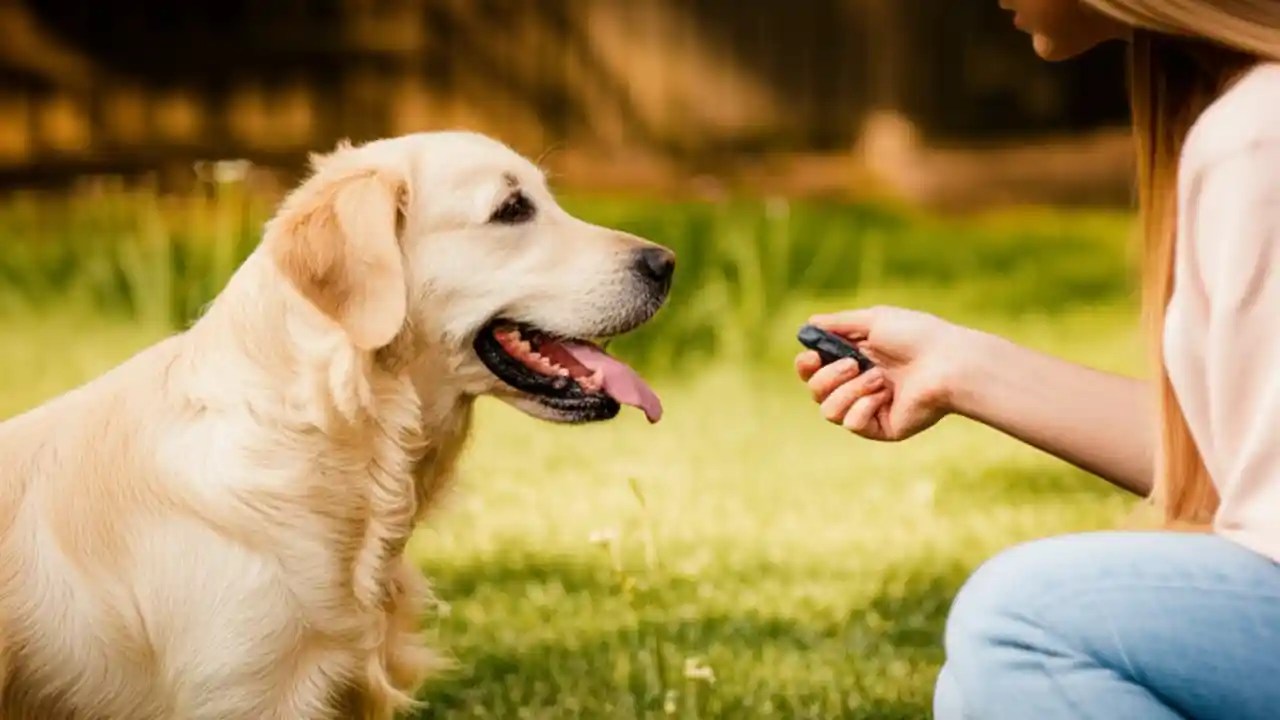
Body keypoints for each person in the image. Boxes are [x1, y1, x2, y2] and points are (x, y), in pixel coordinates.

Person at [795, 2, 1280, 718]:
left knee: (1021, 621)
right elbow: (1242, 470)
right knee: (973, 692)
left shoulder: (1257, 136)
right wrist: (956, 367)